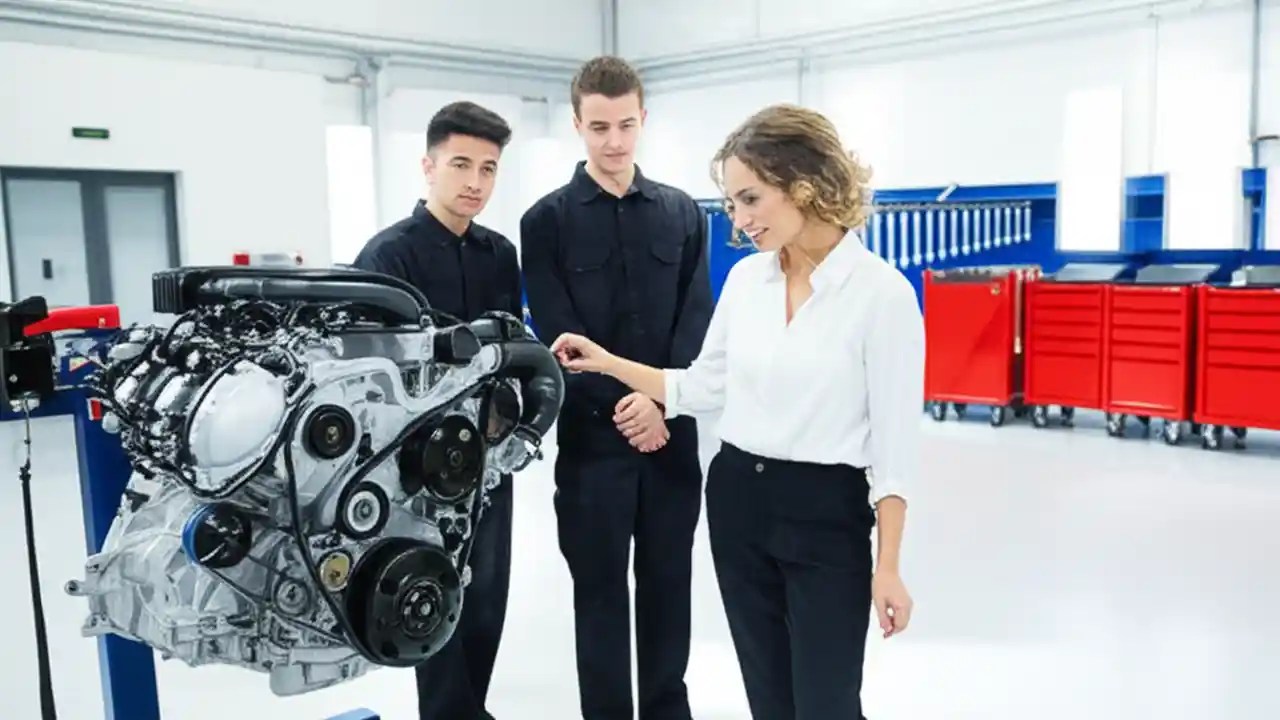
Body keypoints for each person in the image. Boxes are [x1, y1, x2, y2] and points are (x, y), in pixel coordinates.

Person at [549, 103, 921, 720]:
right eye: (732, 204)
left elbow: (895, 451)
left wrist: (889, 568)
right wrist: (608, 361)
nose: (740, 221)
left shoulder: (882, 296)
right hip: (738, 505)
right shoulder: (748, 283)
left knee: (827, 704)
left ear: (803, 184)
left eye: (751, 200)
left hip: (827, 515)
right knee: (769, 700)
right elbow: (700, 386)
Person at [519, 56, 713, 720]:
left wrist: (658, 402)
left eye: (626, 125)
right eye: (599, 126)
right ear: (577, 123)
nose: (614, 141)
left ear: (643, 119)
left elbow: (697, 320)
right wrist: (628, 408)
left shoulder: (684, 215)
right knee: (599, 597)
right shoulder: (543, 223)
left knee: (668, 589)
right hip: (593, 449)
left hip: (670, 443)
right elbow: (560, 335)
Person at [350, 100, 520, 720]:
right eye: (461, 165)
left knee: (487, 592)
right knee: (430, 588)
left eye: (489, 168)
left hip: (487, 457)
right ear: (428, 166)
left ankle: (471, 710)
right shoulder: (386, 258)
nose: (475, 182)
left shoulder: (500, 255)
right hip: (415, 467)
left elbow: (509, 350)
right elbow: (368, 370)